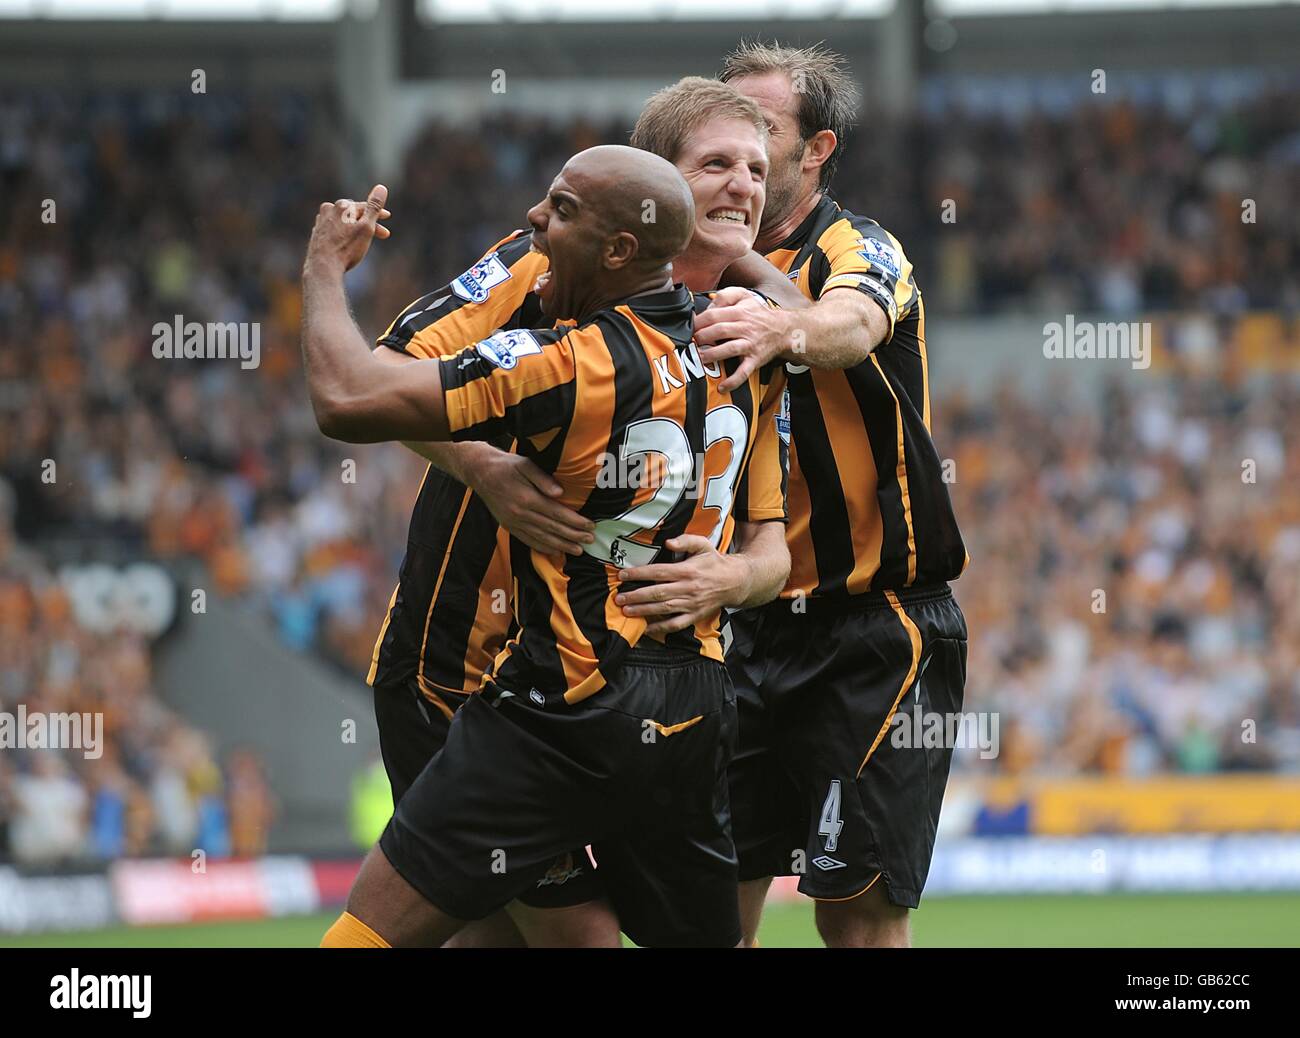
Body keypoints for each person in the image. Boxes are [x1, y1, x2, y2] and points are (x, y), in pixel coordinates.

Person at [303, 145, 789, 948]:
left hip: (560, 704)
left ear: (622, 247)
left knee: (378, 933)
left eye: (560, 210)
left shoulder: (569, 362)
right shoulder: (743, 351)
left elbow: (348, 397)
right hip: (692, 708)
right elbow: (773, 543)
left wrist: (324, 268)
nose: (534, 218)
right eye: (717, 164)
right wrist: (769, 284)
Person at [690, 42, 971, 948]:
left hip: (875, 630)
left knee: (854, 919)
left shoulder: (859, 248)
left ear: (816, 150)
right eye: (720, 135)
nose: (743, 156)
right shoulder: (677, 273)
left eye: (762, 133)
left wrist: (784, 326)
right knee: (705, 914)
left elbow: (852, 322)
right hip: (738, 625)